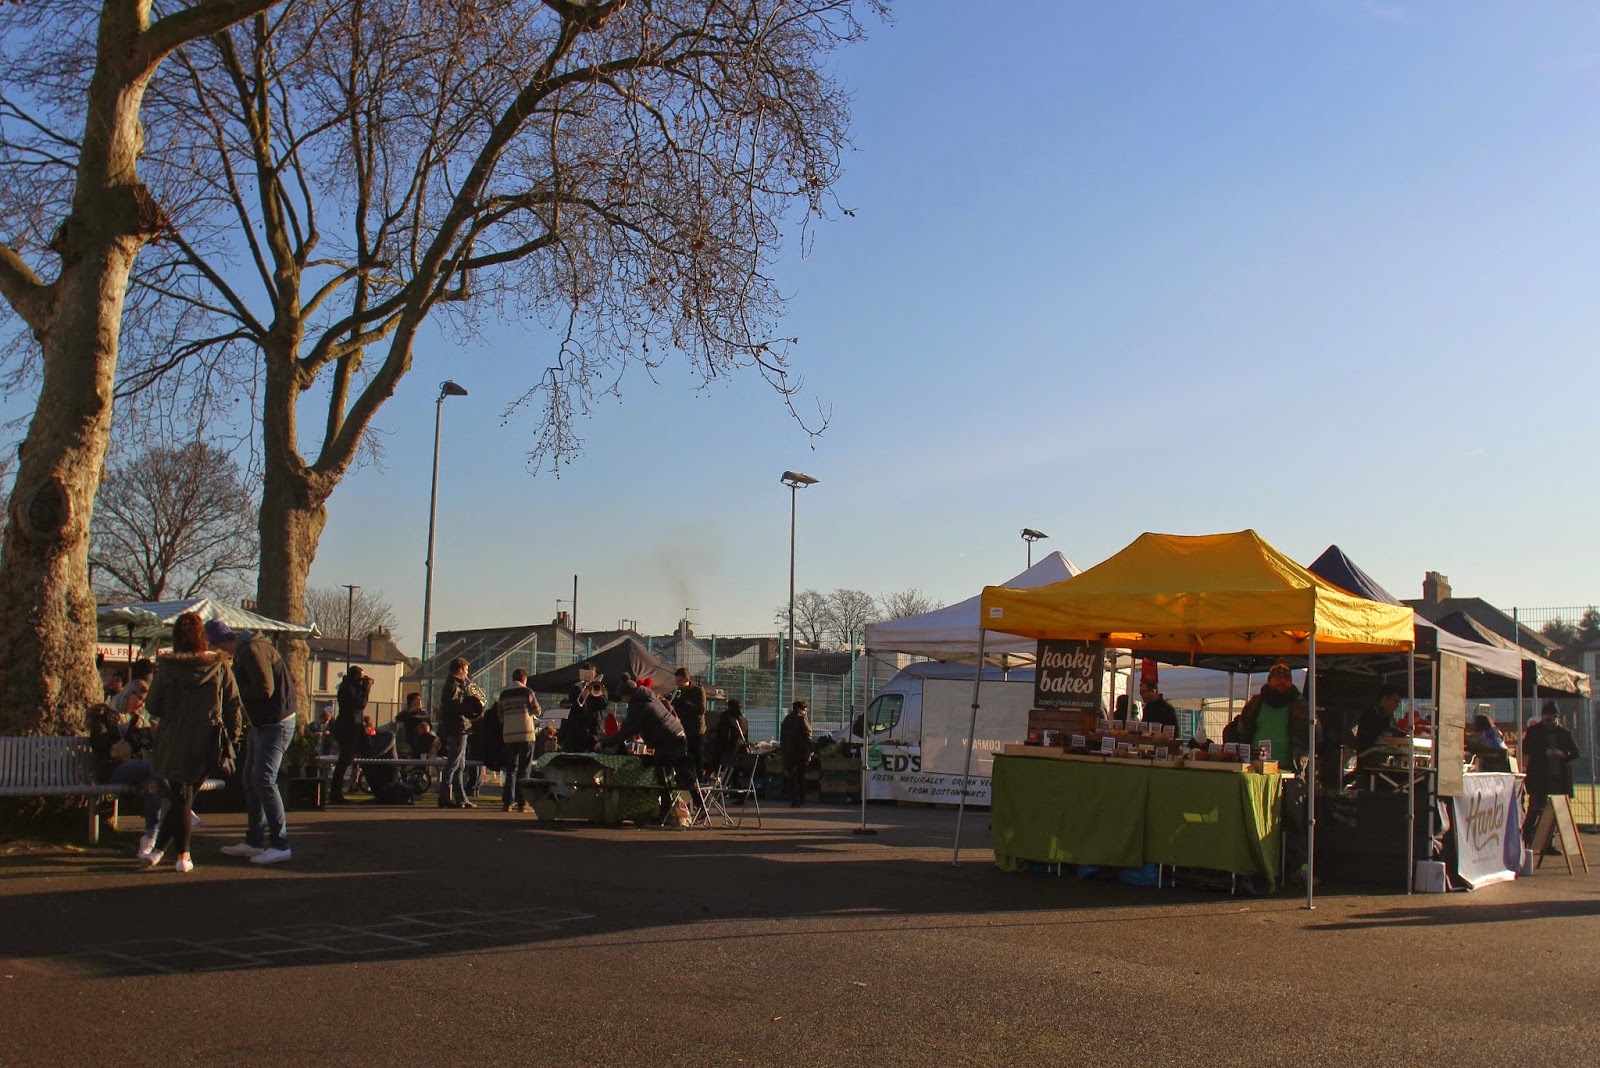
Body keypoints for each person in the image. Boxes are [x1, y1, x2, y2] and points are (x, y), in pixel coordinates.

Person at [141, 611, 242, 873]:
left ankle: (177, 854)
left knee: (180, 799)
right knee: (185, 799)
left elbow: (152, 705)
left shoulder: (168, 668)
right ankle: (165, 852)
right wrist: (233, 738)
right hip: (207, 739)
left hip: (173, 739)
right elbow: (233, 704)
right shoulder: (219, 666)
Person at [206, 620, 298, 866]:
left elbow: (265, 688)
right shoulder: (251, 648)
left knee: (263, 779)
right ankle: (255, 840)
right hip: (268, 722)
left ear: (219, 643)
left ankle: (280, 843)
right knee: (251, 779)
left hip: (275, 722)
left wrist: (233, 690)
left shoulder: (251, 651)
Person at [606, 673, 693, 824]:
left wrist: (605, 743)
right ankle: (666, 814)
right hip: (674, 737)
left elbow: (627, 729)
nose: (622, 700)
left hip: (669, 741)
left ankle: (682, 808)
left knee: (669, 777)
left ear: (626, 695)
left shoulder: (639, 705)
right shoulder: (648, 698)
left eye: (622, 697)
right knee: (665, 776)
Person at [1226, 663, 1310, 764]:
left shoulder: (1301, 705)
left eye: (1286, 678)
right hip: (1257, 765)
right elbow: (1242, 731)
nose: (1282, 681)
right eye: (1278, 677)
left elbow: (1316, 736)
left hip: (1292, 767)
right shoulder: (1255, 703)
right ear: (1269, 681)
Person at [1522, 702, 1579, 849]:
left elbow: (1575, 752)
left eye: (1551, 715)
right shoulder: (1534, 731)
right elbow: (1526, 748)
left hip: (1558, 779)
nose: (1548, 717)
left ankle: (1548, 843)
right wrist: (1544, 753)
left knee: (1555, 814)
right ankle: (1525, 840)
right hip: (1539, 778)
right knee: (1534, 810)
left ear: (1556, 717)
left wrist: (1562, 754)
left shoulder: (1564, 733)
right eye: (1546, 714)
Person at [436, 657, 485, 808]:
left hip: (460, 727)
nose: (467, 673)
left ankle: (461, 798)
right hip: (458, 727)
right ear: (460, 670)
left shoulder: (455, 684)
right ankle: (444, 797)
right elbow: (452, 706)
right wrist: (470, 703)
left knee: (459, 766)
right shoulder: (453, 685)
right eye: (466, 670)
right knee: (453, 764)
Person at [494, 668, 541, 813]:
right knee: (524, 768)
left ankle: (507, 803)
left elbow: (500, 715)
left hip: (509, 735)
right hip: (526, 734)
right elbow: (537, 710)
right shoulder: (527, 692)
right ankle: (523, 803)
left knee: (511, 769)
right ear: (524, 679)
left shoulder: (503, 694)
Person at [329, 666, 373, 803]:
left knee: (368, 751)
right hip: (348, 728)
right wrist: (366, 688)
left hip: (356, 727)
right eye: (360, 677)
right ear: (355, 677)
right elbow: (360, 704)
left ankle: (374, 785)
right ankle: (335, 794)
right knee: (344, 761)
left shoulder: (351, 687)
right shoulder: (347, 689)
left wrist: (363, 686)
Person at [669, 667, 708, 780]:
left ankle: (700, 780)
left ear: (687, 679)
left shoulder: (698, 691)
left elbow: (701, 710)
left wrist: (683, 703)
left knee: (697, 757)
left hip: (696, 730)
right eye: (677, 681)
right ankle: (685, 779)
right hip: (682, 729)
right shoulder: (678, 692)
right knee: (683, 757)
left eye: (680, 681)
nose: (678, 683)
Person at [558, 666, 607, 753]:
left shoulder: (599, 686)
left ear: (594, 674)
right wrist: (582, 697)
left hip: (594, 731)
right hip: (577, 732)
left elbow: (604, 704)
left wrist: (595, 692)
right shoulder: (575, 688)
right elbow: (573, 707)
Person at [1354, 684, 1406, 753]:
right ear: (1384, 699)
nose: (1397, 706)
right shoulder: (1368, 715)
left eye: (1398, 702)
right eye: (1395, 701)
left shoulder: (1388, 717)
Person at [780, 700, 812, 808]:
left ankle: (795, 800)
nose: (806, 712)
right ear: (799, 709)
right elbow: (808, 735)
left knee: (792, 776)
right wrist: (811, 750)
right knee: (800, 775)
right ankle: (801, 799)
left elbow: (783, 737)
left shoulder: (786, 719)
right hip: (801, 751)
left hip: (788, 751)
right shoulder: (801, 719)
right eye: (805, 710)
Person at [708, 697, 751, 774]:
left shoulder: (727, 718)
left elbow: (724, 736)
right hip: (739, 752)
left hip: (728, 751)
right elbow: (746, 738)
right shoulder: (744, 720)